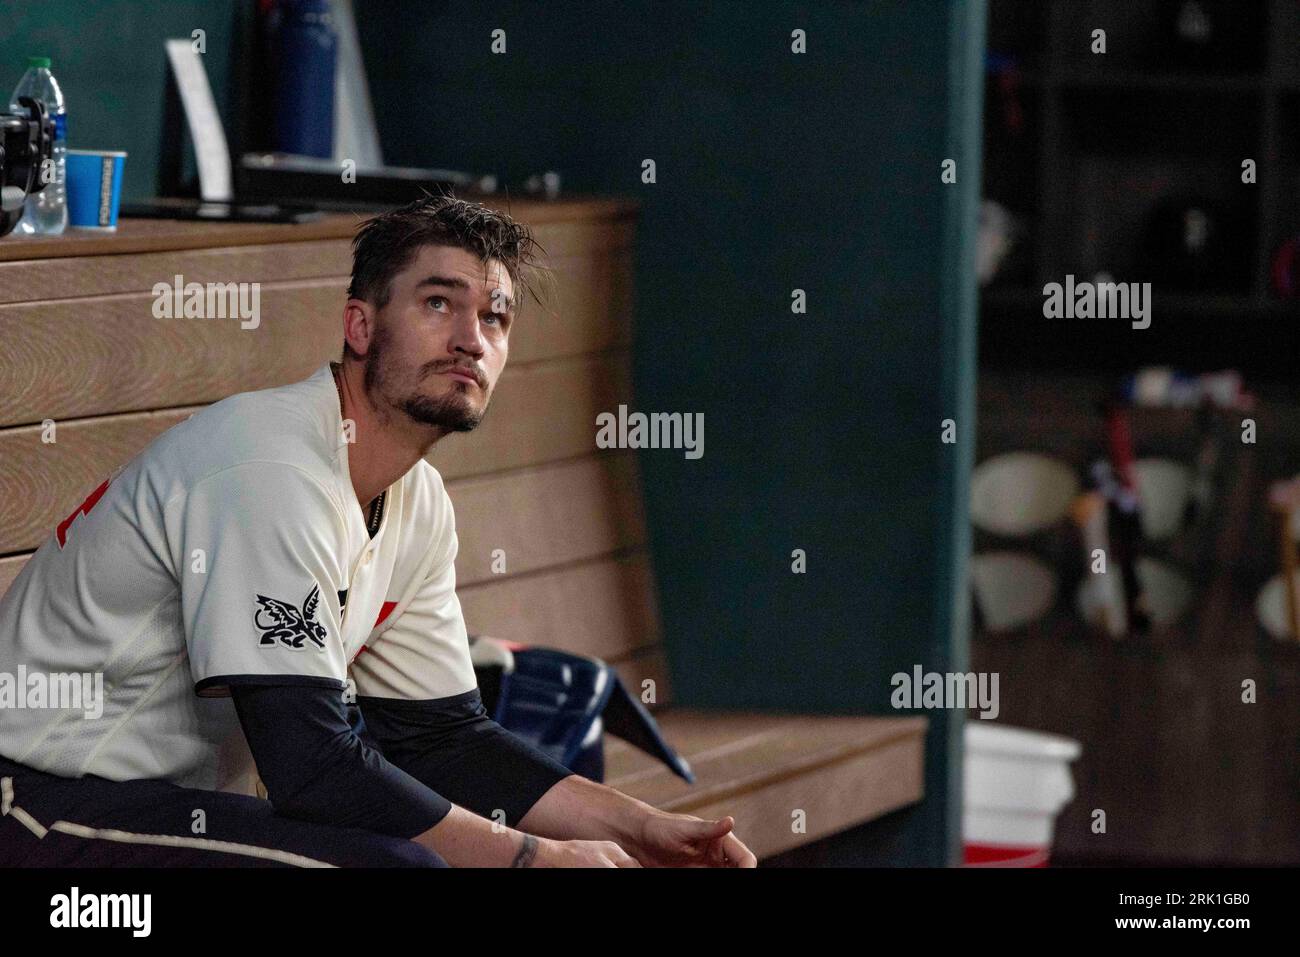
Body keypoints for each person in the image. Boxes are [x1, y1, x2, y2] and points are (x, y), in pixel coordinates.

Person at [0, 194, 757, 868]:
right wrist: (530, 856)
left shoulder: (416, 500)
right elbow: (311, 766)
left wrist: (640, 826)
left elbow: (445, 739)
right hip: (37, 800)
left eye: (495, 316)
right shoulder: (271, 466)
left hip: (156, 809)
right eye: (439, 303)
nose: (471, 338)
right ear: (360, 325)